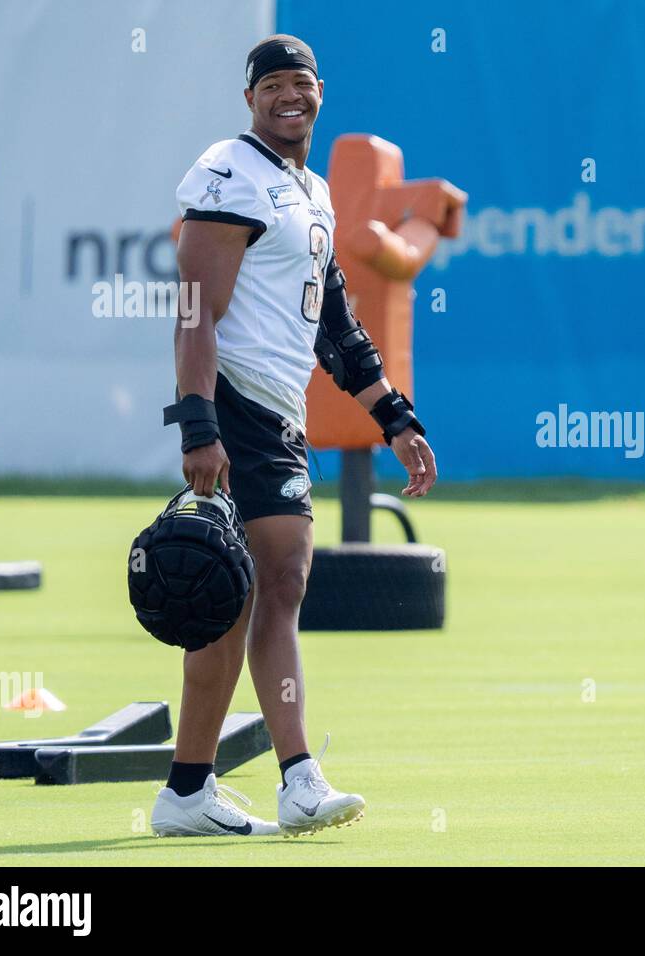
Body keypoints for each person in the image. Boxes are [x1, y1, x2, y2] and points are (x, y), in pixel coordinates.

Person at [150, 34, 449, 837]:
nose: (290, 96)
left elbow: (338, 329)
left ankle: (185, 791)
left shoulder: (311, 190)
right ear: (249, 98)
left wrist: (396, 417)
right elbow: (192, 311)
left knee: (233, 601)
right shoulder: (229, 173)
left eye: (302, 84)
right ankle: (299, 777)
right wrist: (198, 423)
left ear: (321, 92)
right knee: (281, 583)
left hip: (280, 414)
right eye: (273, 85)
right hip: (238, 406)